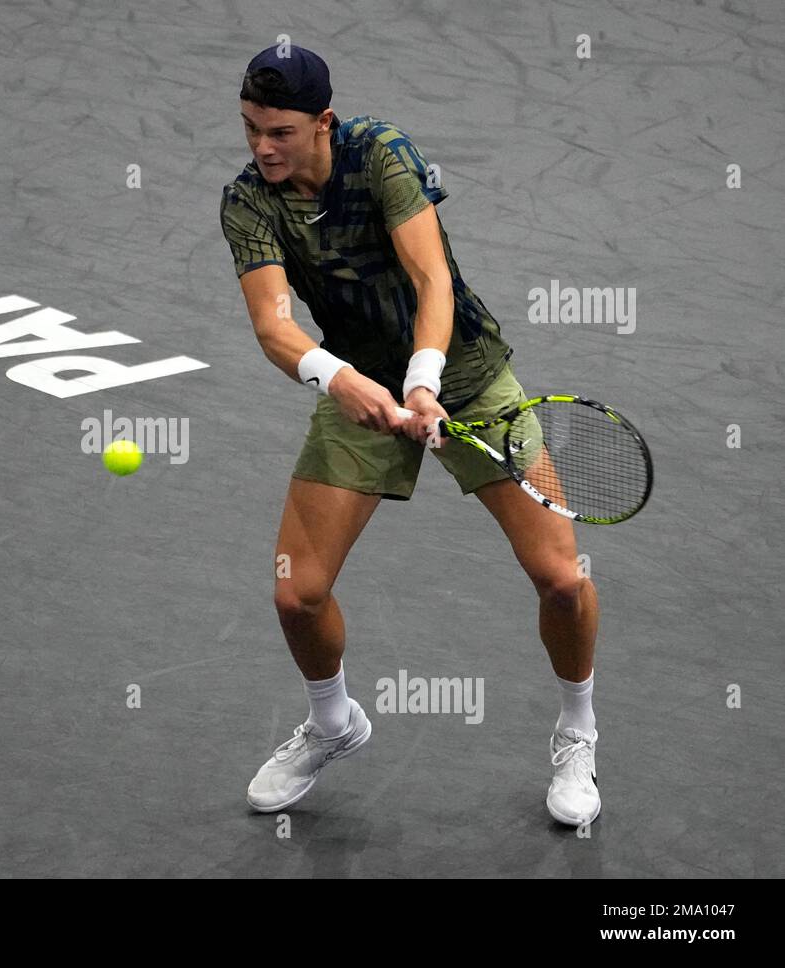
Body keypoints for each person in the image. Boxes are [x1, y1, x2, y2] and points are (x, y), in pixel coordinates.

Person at [219, 44, 600, 826]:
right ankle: (333, 724)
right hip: (356, 381)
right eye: (252, 128)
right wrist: (342, 379)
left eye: (281, 132)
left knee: (561, 578)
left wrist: (423, 380)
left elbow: (431, 280)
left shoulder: (383, 155)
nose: (263, 147)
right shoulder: (248, 201)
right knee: (298, 594)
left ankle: (578, 732)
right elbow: (272, 326)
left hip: (466, 378)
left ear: (323, 123)